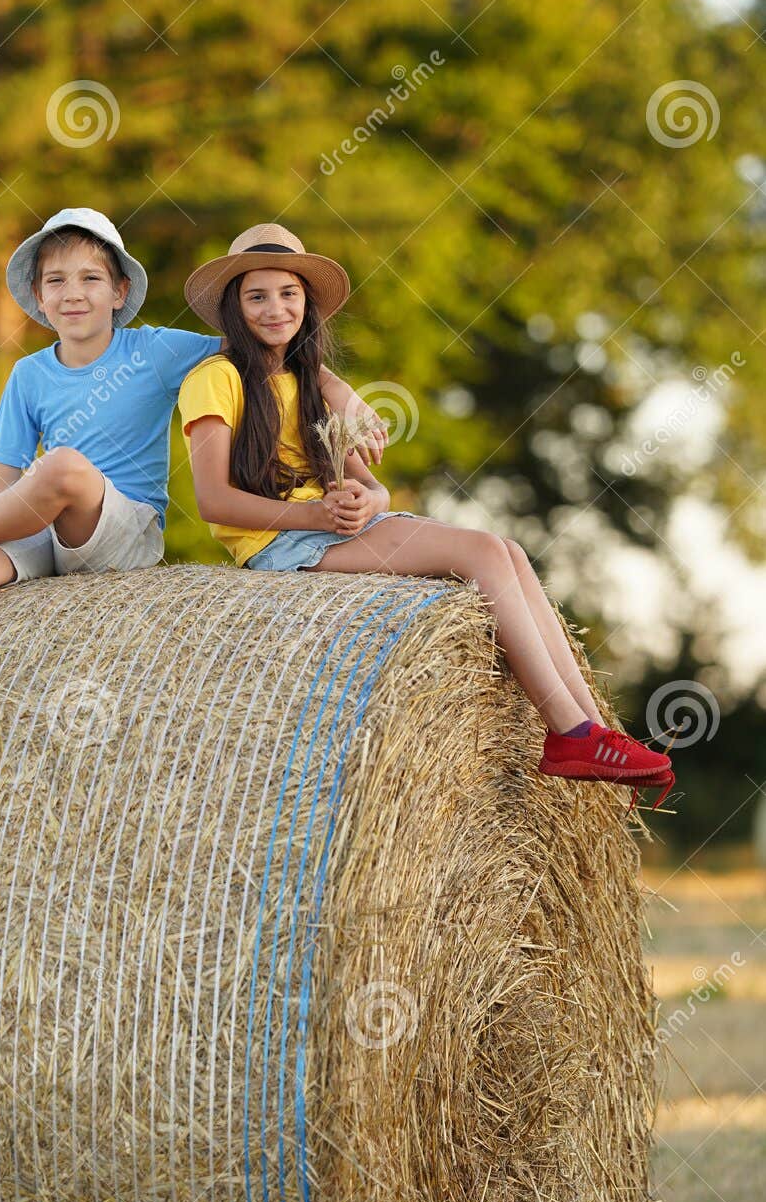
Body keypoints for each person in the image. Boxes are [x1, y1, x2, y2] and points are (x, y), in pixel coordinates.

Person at [176, 222, 676, 812]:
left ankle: (593, 729)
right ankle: (568, 733)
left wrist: (369, 501)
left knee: (509, 552)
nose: (275, 307)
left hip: (330, 527)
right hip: (277, 544)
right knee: (485, 553)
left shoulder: (311, 383)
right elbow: (212, 502)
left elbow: (373, 488)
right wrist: (312, 516)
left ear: (306, 302)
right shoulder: (216, 379)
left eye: (288, 293)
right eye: (256, 295)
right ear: (234, 307)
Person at [0, 208, 386, 700]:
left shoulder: (156, 350)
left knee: (61, 467)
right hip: (50, 528)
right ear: (39, 297)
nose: (73, 293)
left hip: (125, 530)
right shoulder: (28, 374)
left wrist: (346, 393)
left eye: (90, 278)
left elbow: (268, 344)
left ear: (119, 293)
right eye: (56, 281)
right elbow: (0, 478)